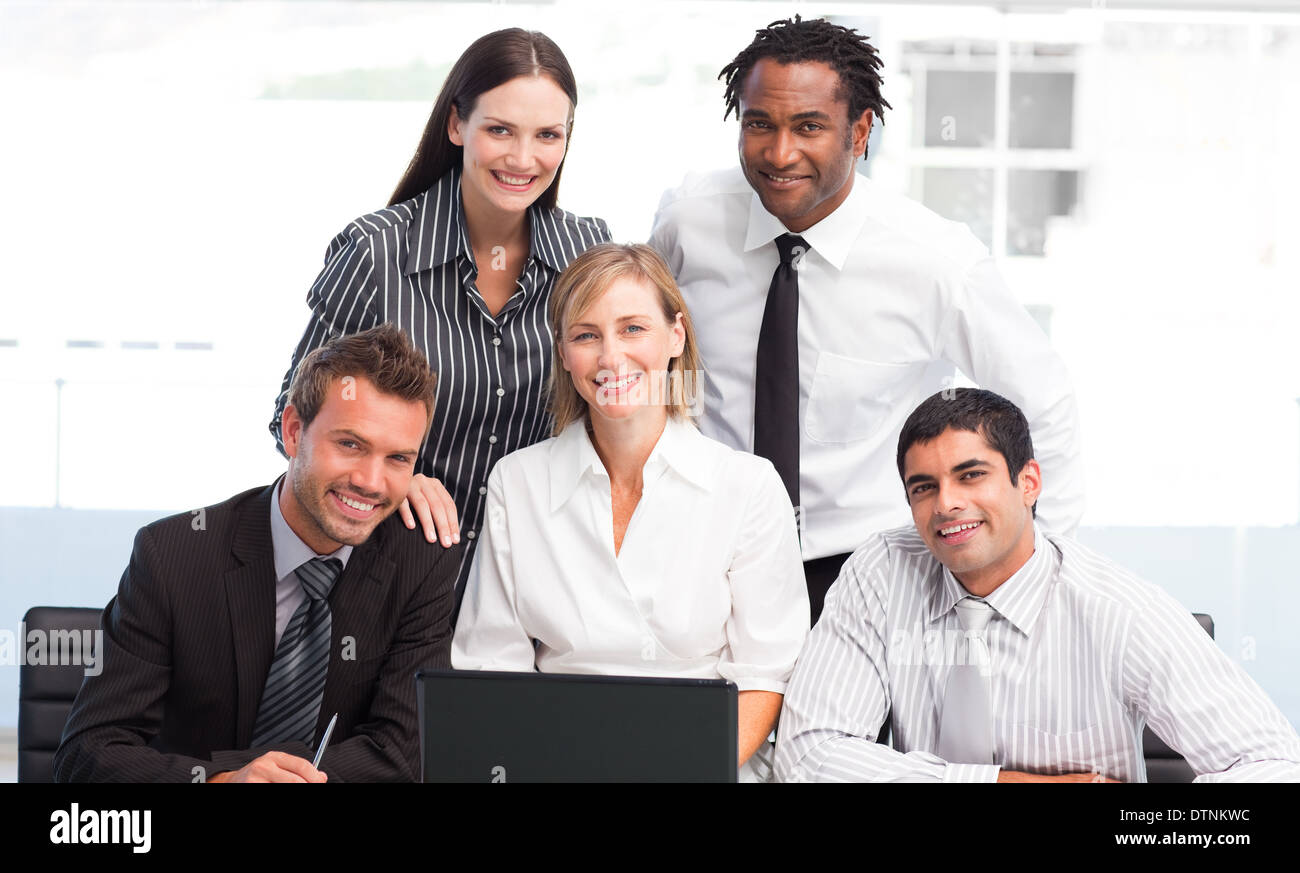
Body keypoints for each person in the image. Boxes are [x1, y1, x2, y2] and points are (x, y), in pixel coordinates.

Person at [648, 16, 1083, 623]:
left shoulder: (935, 260)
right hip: (705, 557)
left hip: (866, 574)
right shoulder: (688, 222)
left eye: (809, 127)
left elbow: (1046, 407)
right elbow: (642, 355)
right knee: (701, 721)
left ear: (859, 132)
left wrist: (1025, 584)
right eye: (759, 125)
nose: (779, 153)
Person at [774, 388, 1300, 782]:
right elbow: (808, 754)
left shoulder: (1118, 611)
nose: (946, 503)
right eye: (924, 487)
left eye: (971, 475)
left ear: (1029, 483)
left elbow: (1272, 764)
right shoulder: (883, 572)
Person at [269, 28, 610, 605]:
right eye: (499, 129)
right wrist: (395, 479)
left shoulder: (586, 255)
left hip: (532, 590)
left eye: (547, 135)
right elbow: (290, 419)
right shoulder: (377, 252)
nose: (523, 159)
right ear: (457, 125)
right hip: (386, 582)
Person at [452, 243, 810, 780]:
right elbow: (491, 667)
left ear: (676, 335)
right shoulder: (518, 481)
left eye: (633, 329)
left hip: (703, 766)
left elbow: (763, 679)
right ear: (564, 352)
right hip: (555, 764)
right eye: (586, 335)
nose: (611, 357)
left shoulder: (747, 487)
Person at [56, 325, 459, 782]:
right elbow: (88, 753)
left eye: (398, 459)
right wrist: (225, 781)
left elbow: (404, 754)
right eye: (350, 444)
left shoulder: (420, 563)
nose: (370, 480)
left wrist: (261, 777)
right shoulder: (173, 556)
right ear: (292, 431)